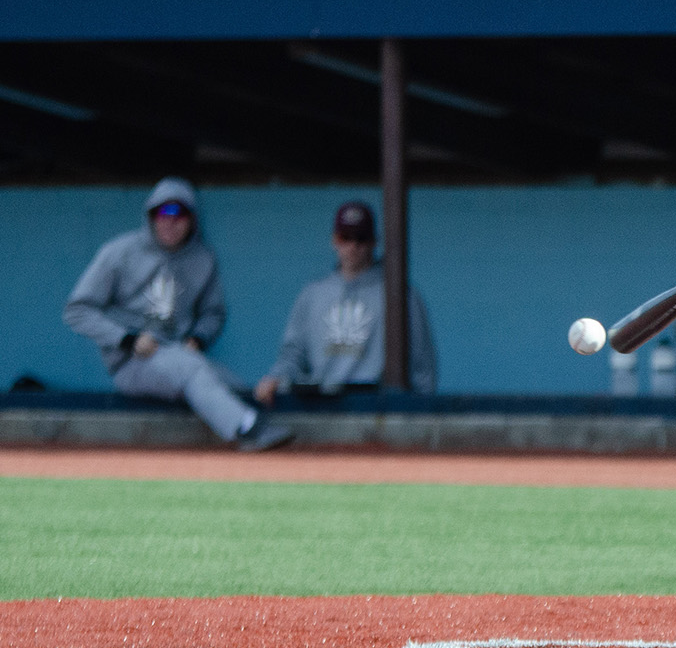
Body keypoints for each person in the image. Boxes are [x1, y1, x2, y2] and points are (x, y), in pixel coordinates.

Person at [63, 177, 292, 451]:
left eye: (179, 215)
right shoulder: (119, 252)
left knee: (236, 387)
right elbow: (77, 310)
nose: (170, 223)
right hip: (131, 361)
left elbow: (213, 313)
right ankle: (247, 431)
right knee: (190, 368)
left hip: (179, 353)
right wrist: (127, 339)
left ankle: (274, 445)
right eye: (162, 214)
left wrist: (198, 338)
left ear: (192, 220)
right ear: (151, 217)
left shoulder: (202, 257)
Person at [254, 201, 436, 402]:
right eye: (345, 238)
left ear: (374, 242)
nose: (353, 247)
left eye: (361, 239)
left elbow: (422, 365)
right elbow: (292, 354)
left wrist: (420, 411)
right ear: (334, 240)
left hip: (377, 407)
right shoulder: (313, 294)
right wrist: (277, 378)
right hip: (321, 406)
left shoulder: (399, 294)